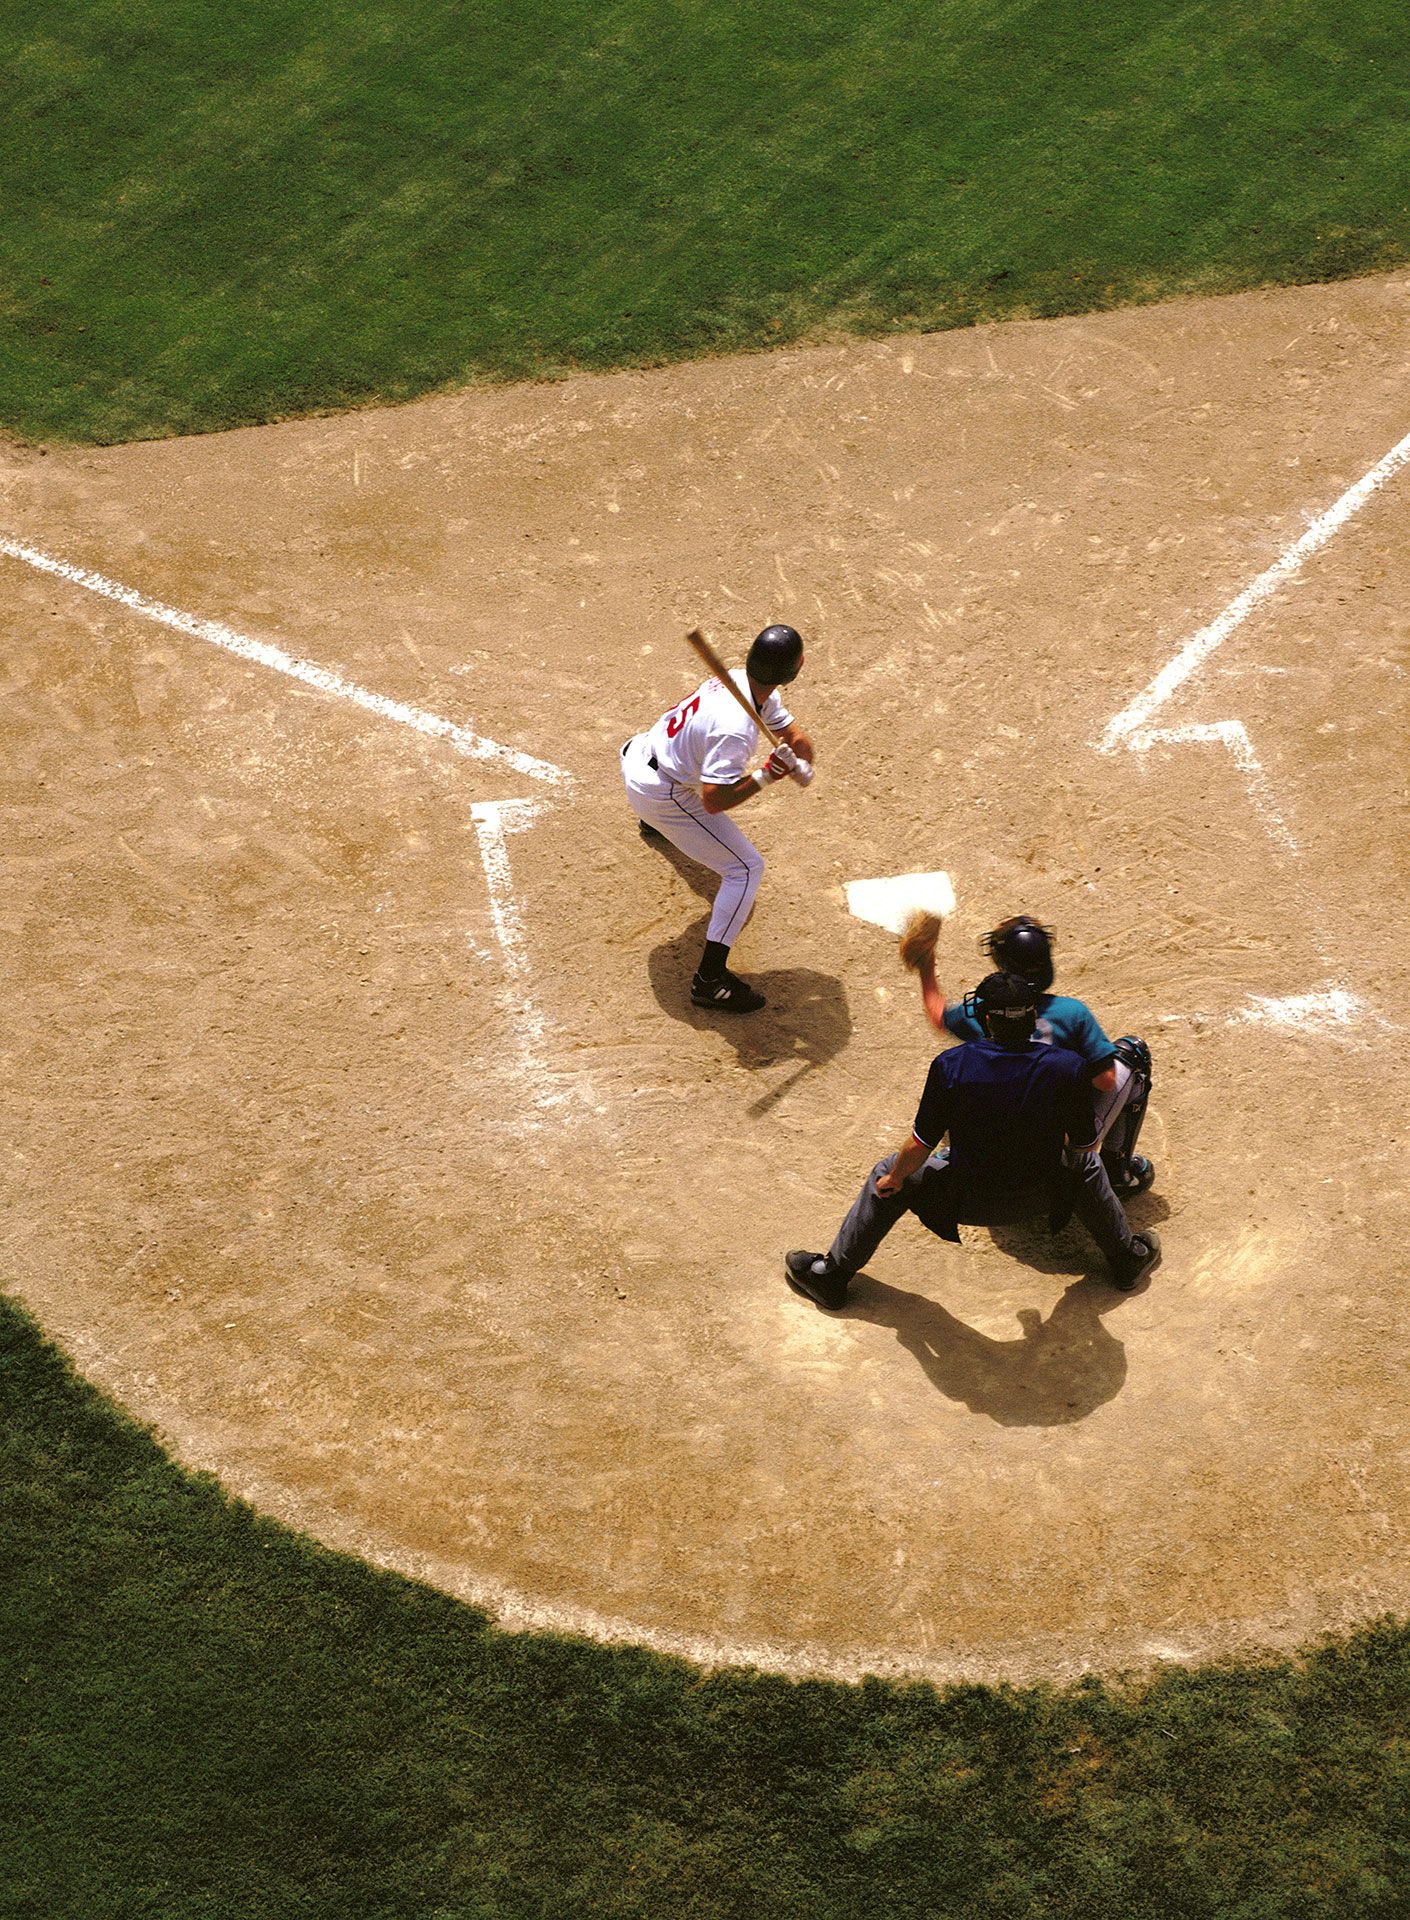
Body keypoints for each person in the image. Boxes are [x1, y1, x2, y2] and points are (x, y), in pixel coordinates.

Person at [785, 970, 1161, 1310]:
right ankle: (1126, 1257)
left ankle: (831, 1276)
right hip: (1044, 1196)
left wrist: (895, 1180)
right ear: (1033, 1018)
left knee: (889, 1171)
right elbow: (1084, 1145)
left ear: (985, 1019)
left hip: (965, 1202)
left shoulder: (951, 1065)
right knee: (1087, 1165)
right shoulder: (1067, 1066)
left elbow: (919, 1146)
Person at [621, 624, 815, 1014]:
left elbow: (796, 738)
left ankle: (657, 824)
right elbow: (714, 801)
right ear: (798, 668)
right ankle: (709, 981)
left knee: (696, 769)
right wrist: (768, 774)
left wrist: (802, 760)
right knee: (745, 870)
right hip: (659, 793)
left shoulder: (742, 682)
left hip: (638, 755)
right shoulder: (736, 730)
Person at [917, 914, 1155, 1198]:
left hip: (995, 1148)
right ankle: (1117, 1172)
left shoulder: (983, 1010)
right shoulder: (1071, 1013)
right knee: (1132, 1053)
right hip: (1050, 1150)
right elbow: (1106, 1082)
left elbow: (938, 1014)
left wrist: (925, 967)